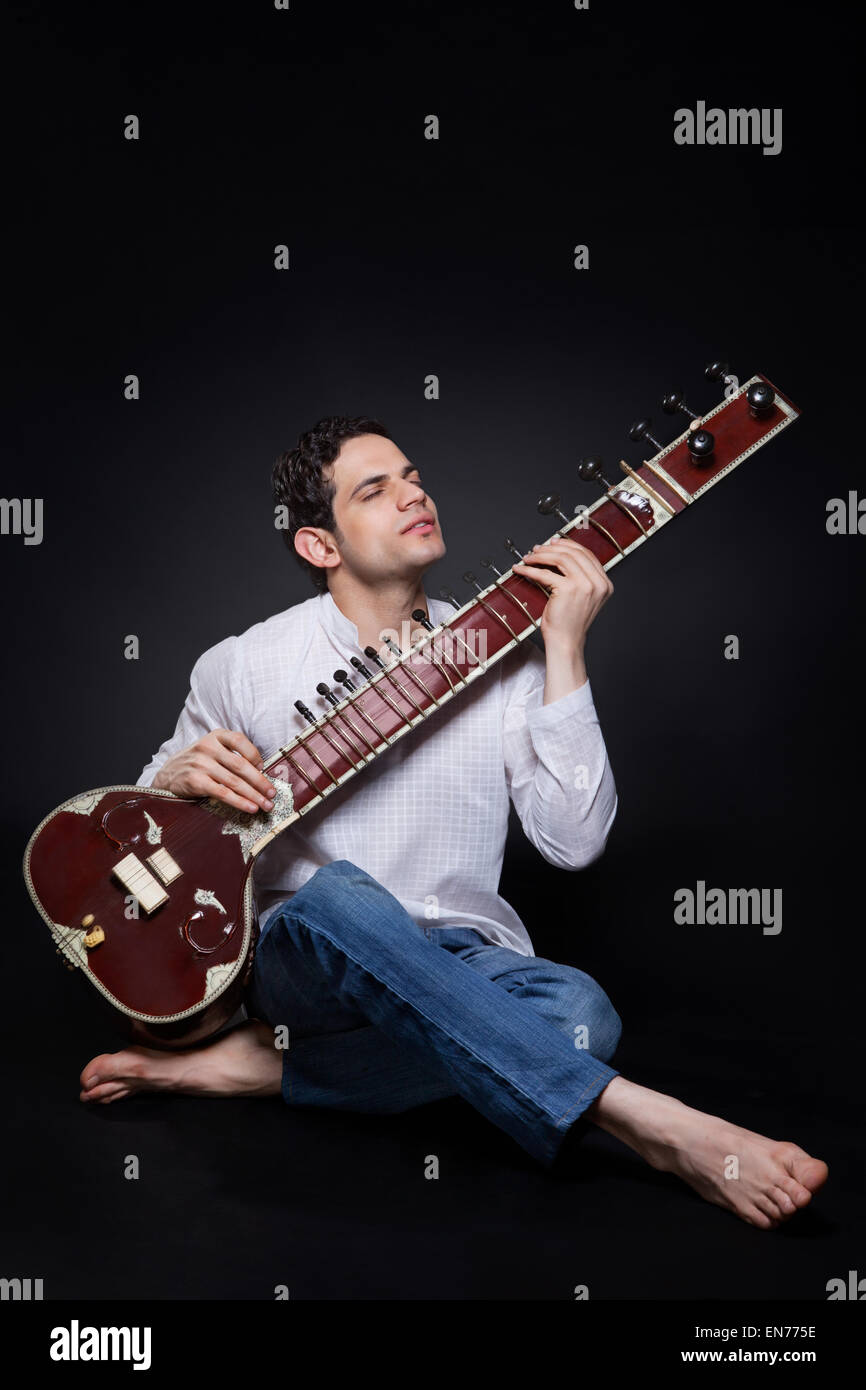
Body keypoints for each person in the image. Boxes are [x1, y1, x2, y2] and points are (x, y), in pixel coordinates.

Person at [79, 416, 828, 1230]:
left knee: (582, 1018)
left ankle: (266, 1071)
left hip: (463, 956)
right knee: (336, 895)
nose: (414, 495)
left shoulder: (502, 655)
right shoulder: (244, 663)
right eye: (376, 490)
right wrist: (174, 776)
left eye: (413, 476)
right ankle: (655, 1123)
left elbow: (573, 844)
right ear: (319, 546)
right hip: (310, 957)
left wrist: (564, 650)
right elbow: (138, 827)